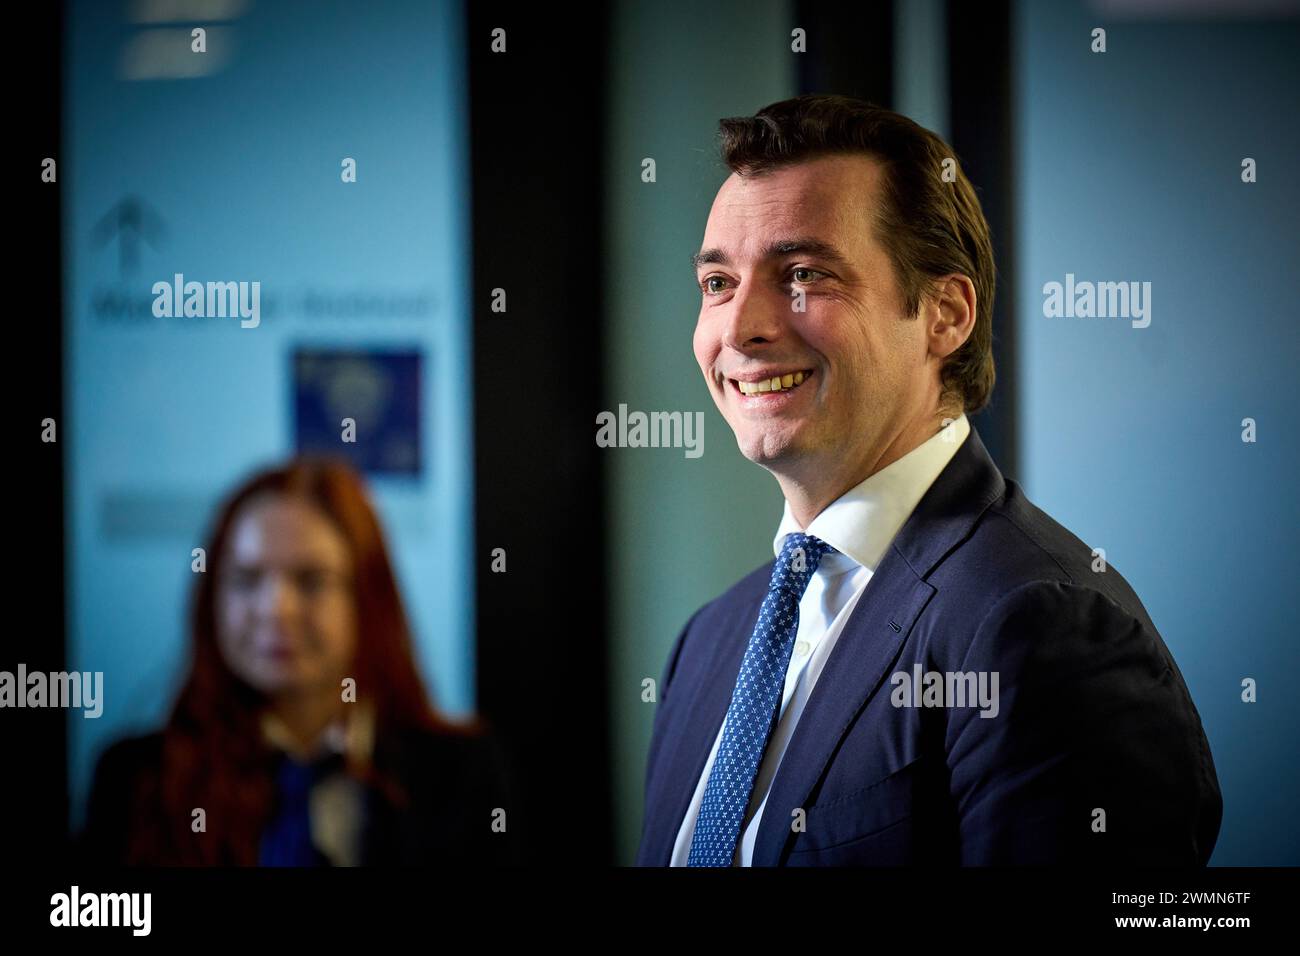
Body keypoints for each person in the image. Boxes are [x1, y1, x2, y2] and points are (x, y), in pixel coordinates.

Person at [636, 94, 1222, 867]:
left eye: (804, 273)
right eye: (718, 284)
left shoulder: (1043, 627)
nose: (742, 327)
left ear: (946, 314)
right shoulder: (710, 640)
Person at [78, 457, 518, 865]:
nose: (275, 608)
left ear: (367, 600)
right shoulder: (135, 781)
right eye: (246, 580)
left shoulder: (461, 773)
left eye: (311, 581)